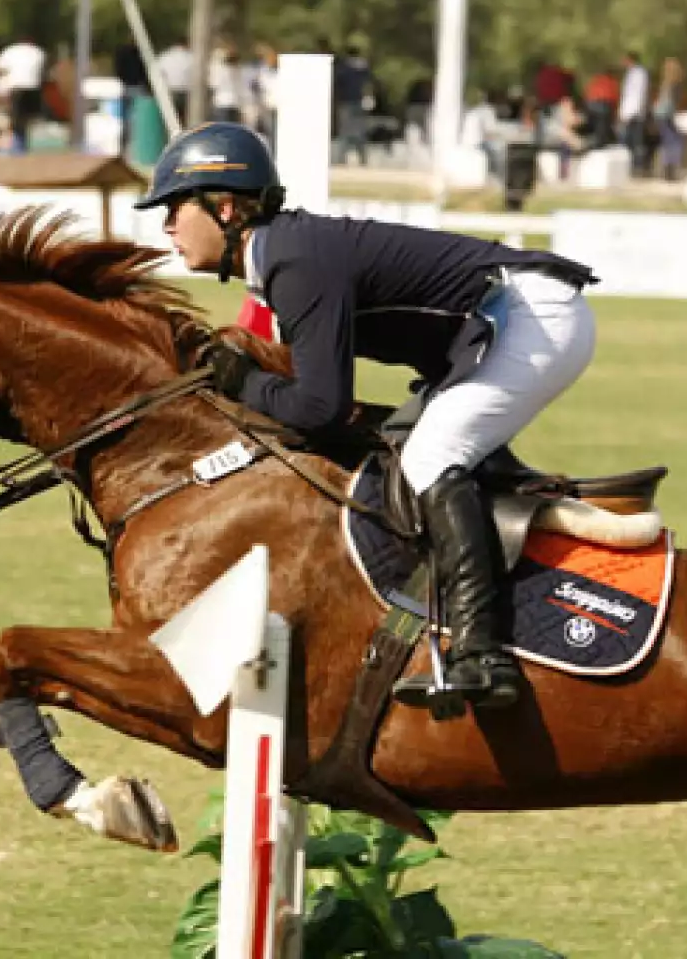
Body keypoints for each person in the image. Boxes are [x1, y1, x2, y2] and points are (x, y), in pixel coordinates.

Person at [134, 122, 598, 711]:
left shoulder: (291, 260)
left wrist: (245, 382)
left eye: (175, 208)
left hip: (534, 317)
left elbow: (319, 408)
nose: (167, 225)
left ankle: (483, 655)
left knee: (433, 454)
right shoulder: (283, 255)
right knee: (413, 443)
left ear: (225, 208)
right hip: (505, 323)